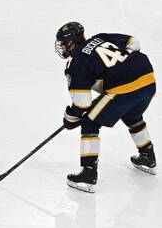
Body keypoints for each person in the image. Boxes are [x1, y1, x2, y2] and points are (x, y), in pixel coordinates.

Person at [55, 22, 156, 192]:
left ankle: (88, 174)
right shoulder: (100, 38)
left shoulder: (76, 62)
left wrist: (70, 117)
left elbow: (82, 102)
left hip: (125, 88)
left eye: (64, 43)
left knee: (89, 123)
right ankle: (147, 156)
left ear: (71, 42)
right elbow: (134, 43)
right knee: (132, 116)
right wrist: (123, 68)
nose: (63, 47)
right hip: (148, 77)